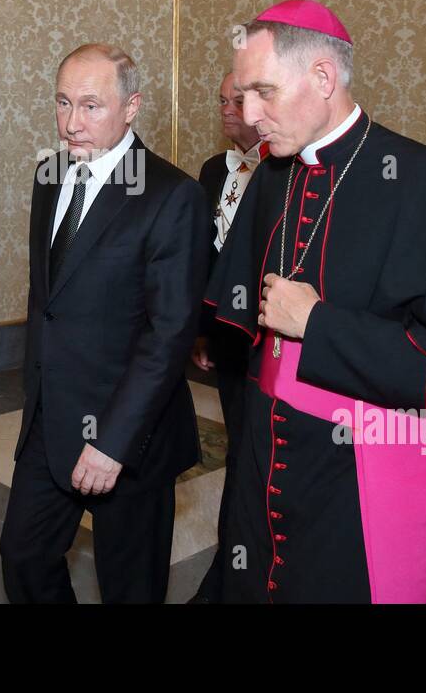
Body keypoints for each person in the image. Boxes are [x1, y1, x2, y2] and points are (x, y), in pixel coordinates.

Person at [205, 0, 426, 603]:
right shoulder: (274, 175)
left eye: (263, 92)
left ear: (323, 77)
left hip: (363, 470)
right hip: (265, 455)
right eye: (242, 95)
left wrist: (318, 324)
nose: (249, 115)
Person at [0, 44, 209, 603]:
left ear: (131, 106)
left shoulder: (172, 195)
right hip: (51, 419)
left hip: (130, 433)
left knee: (129, 588)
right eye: (63, 103)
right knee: (23, 556)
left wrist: (113, 442)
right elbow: (48, 300)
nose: (72, 123)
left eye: (91, 106)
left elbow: (168, 335)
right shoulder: (50, 176)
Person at [189, 71, 266, 603]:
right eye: (222, 100)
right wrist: (202, 330)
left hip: (272, 338)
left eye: (237, 100)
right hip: (227, 337)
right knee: (240, 448)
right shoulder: (214, 169)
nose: (226, 109)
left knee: (260, 457)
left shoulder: (285, 170)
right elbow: (204, 256)